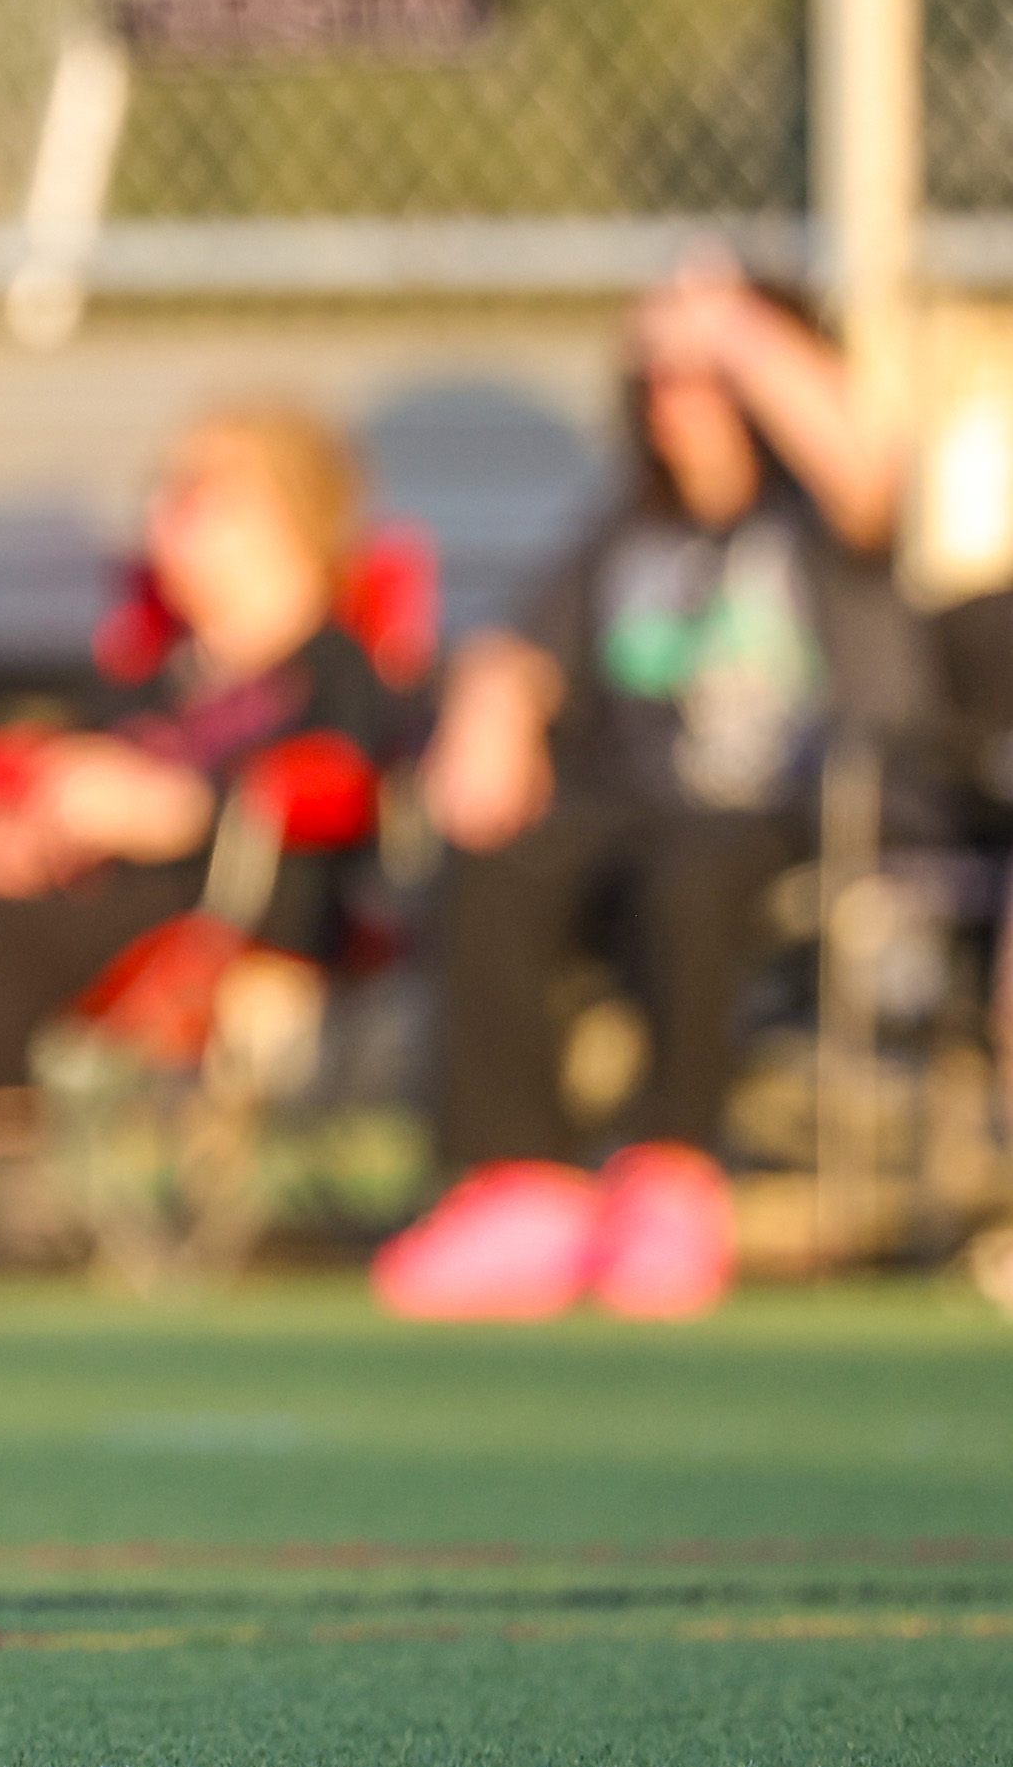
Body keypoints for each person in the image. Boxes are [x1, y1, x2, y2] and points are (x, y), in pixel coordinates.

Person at [384, 259, 912, 1319]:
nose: (677, 401)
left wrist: (733, 320)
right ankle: (519, 1183)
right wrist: (493, 700)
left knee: (696, 872)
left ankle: (673, 1175)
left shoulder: (816, 518)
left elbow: (869, 467)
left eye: (702, 376)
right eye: (657, 378)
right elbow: (526, 649)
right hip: (630, 803)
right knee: (497, 850)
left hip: (785, 809)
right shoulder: (622, 534)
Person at [0, 402, 401, 1161]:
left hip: (228, 905)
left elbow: (347, 783)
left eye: (198, 492)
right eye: (163, 491)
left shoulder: (329, 666)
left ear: (287, 512)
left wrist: (181, 808)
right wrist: (25, 826)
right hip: (100, 891)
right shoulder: (160, 676)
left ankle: (8, 1157)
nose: (163, 514)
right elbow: (75, 762)